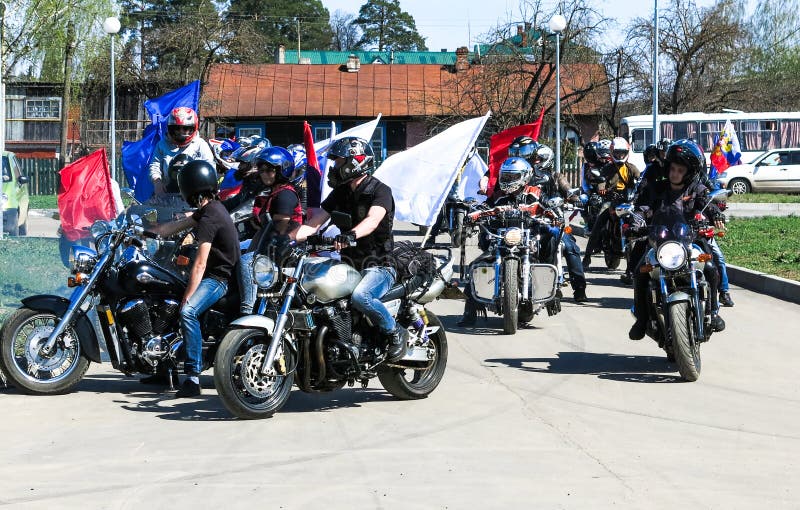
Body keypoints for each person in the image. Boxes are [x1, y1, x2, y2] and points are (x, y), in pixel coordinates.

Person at [290, 136, 407, 363]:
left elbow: (373, 220)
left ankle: (394, 332)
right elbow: (314, 223)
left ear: (355, 162)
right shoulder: (341, 193)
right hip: (349, 264)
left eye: (339, 162)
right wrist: (287, 239)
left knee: (361, 297)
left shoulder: (380, 190)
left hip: (379, 265)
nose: (334, 167)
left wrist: (351, 234)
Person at [145, 160, 240, 397]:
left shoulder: (211, 218)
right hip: (214, 275)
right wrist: (141, 232)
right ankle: (162, 366)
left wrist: (188, 297)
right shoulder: (211, 209)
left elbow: (200, 263)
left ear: (190, 189)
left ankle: (192, 378)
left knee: (187, 311)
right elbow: (176, 226)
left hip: (219, 280)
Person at [629, 139, 726, 340]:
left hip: (690, 241)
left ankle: (713, 311)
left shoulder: (696, 189)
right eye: (673, 168)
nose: (675, 173)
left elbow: (707, 203)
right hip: (660, 242)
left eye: (680, 170)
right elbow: (643, 207)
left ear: (689, 171)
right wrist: (636, 220)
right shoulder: (657, 188)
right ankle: (641, 319)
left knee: (709, 268)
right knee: (640, 273)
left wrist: (715, 214)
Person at [458, 157, 542, 326]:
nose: (507, 181)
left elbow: (543, 205)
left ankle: (548, 297)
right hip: (501, 242)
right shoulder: (498, 196)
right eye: (505, 177)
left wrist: (551, 211)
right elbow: (485, 207)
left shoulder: (533, 192)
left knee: (543, 261)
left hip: (526, 242)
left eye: (512, 177)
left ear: (524, 177)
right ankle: (469, 313)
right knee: (477, 266)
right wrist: (475, 213)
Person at [238, 146, 303, 315]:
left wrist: (254, 253)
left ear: (282, 170)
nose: (264, 173)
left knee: (246, 261)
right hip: (269, 247)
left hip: (282, 251)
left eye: (270, 170)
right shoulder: (272, 193)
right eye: (262, 169)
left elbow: (277, 231)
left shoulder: (285, 196)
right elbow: (263, 231)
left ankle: (247, 310)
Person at [524, 142, 589, 302]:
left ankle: (579, 289)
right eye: (534, 158)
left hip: (553, 220)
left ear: (547, 159)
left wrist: (576, 199)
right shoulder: (527, 175)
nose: (536, 161)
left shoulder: (556, 176)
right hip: (531, 221)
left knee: (570, 247)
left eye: (539, 159)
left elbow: (567, 190)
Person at [582, 136, 641, 282]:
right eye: (617, 153)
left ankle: (633, 268)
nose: (620, 156)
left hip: (628, 201)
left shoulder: (631, 168)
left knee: (638, 227)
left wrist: (640, 189)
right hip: (611, 201)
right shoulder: (608, 168)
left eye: (622, 153)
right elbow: (601, 181)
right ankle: (587, 256)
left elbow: (640, 181)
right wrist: (602, 189)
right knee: (599, 222)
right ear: (612, 152)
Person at [148, 107, 215, 197]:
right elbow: (155, 165)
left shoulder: (201, 145)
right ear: (170, 128)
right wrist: (157, 182)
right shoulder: (162, 145)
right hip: (167, 193)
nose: (181, 132)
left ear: (193, 128)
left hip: (195, 194)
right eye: (177, 128)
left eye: (185, 129)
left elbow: (209, 169)